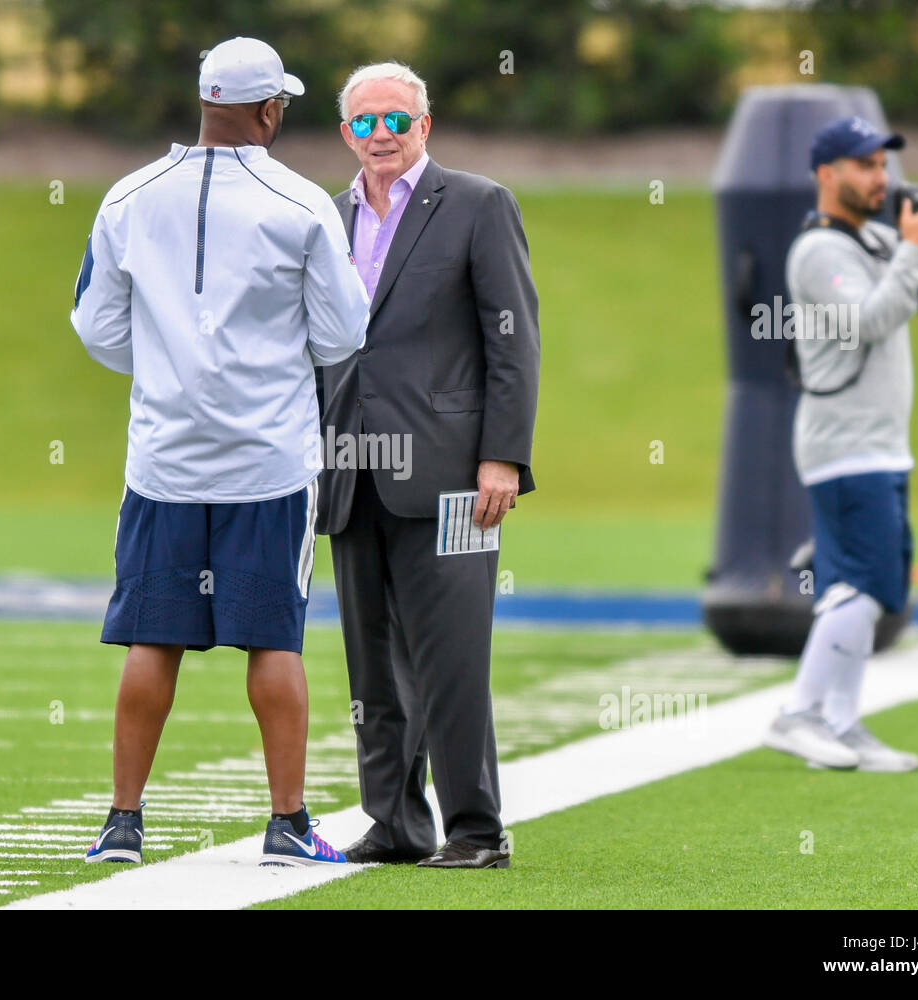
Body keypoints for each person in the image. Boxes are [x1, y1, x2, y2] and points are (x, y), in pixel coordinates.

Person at [70, 37, 369, 866]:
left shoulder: (128, 196)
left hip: (163, 459)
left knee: (150, 641)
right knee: (274, 641)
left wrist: (171, 366)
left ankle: (122, 824)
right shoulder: (304, 202)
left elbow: (97, 326)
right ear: (271, 109)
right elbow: (344, 331)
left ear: (204, 101)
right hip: (268, 459)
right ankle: (286, 824)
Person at [317, 62, 540, 868]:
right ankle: (397, 823)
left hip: (451, 473)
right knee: (372, 669)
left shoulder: (478, 204)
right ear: (346, 133)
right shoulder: (324, 217)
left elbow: (513, 343)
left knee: (452, 660)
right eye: (365, 122)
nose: (382, 135)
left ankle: (477, 830)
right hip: (350, 472)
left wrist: (503, 457)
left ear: (425, 124)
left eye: (396, 120)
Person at [763, 115, 918, 771]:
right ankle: (799, 715)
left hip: (880, 444)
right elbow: (870, 319)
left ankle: (840, 721)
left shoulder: (871, 236)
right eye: (865, 165)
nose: (880, 177)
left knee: (869, 586)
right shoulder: (817, 252)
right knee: (863, 581)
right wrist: (917, 244)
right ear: (826, 174)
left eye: (883, 163)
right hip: (843, 443)